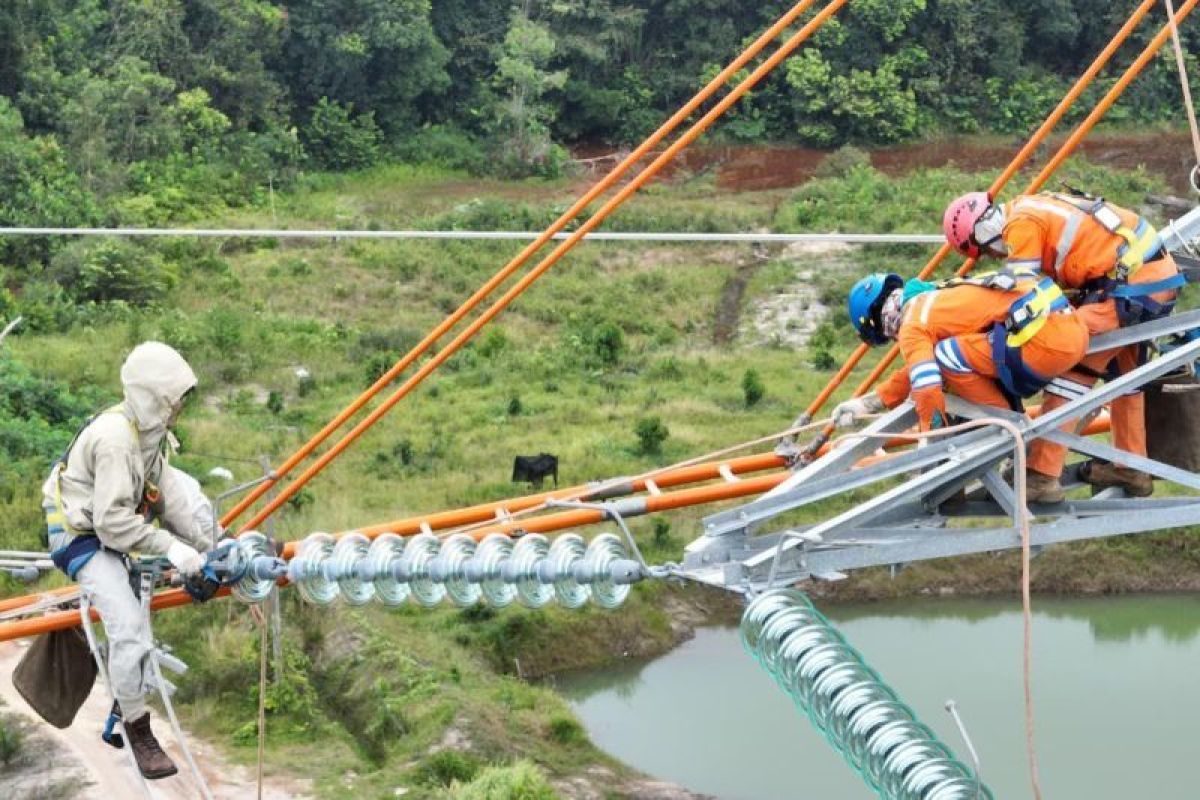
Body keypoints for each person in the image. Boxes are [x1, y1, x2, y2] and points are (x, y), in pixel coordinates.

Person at [42, 341, 221, 779]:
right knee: (127, 624)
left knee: (192, 494)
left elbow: (172, 502)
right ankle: (138, 726)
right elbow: (110, 525)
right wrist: (171, 548)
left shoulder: (149, 436)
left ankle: (131, 691)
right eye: (174, 400)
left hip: (113, 526)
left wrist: (216, 545)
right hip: (80, 535)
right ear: (154, 397)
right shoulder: (116, 439)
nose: (179, 409)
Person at [943, 190, 1184, 497]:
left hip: (1131, 288)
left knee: (1070, 366)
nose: (993, 256)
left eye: (985, 251)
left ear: (982, 230)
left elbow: (1020, 293)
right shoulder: (1031, 205)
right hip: (1147, 280)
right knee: (1126, 378)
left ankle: (1041, 475)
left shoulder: (1021, 224)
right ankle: (1131, 466)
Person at [833, 270, 1089, 502]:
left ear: (876, 324)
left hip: (1044, 344)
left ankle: (1006, 423)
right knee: (950, 357)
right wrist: (869, 402)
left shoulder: (913, 323)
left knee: (946, 357)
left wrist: (931, 441)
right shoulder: (937, 295)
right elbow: (919, 365)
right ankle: (1010, 429)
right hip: (1071, 329)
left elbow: (926, 383)